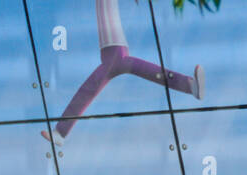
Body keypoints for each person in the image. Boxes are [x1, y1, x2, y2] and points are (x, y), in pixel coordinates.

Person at [44, 0, 204, 142]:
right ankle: (189, 86)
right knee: (90, 89)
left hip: (114, 52)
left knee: (88, 89)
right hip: (111, 53)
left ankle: (61, 132)